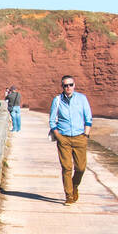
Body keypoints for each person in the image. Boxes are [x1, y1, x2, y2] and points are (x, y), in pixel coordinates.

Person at [48, 75, 92, 205]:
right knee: (67, 167)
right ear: (62, 87)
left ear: (74, 85)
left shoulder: (82, 99)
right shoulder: (57, 100)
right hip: (64, 138)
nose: (68, 87)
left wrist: (86, 135)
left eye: (70, 84)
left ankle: (74, 186)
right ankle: (69, 196)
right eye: (65, 85)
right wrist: (58, 135)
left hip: (80, 137)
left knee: (81, 168)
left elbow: (88, 118)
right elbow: (52, 120)